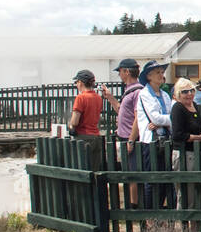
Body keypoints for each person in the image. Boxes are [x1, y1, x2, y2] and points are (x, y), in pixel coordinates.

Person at [135, 60, 176, 210]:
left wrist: (163, 121)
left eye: (161, 72)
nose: (161, 75)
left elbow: (167, 117)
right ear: (149, 76)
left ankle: (162, 212)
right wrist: (166, 120)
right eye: (157, 72)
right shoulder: (144, 94)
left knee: (167, 178)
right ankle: (151, 214)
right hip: (151, 142)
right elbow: (156, 118)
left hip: (165, 140)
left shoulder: (164, 94)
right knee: (152, 180)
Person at [102, 59, 142, 205]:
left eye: (120, 71)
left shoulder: (137, 91)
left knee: (133, 175)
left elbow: (138, 117)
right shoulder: (130, 90)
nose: (119, 75)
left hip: (132, 139)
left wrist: (131, 139)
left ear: (127, 71)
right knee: (130, 173)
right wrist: (111, 98)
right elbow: (121, 111)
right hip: (127, 138)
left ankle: (135, 206)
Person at [168, 77, 201, 168]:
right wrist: (200, 137)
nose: (189, 94)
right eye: (185, 91)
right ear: (178, 94)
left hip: (198, 153)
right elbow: (177, 135)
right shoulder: (178, 108)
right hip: (184, 155)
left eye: (192, 90)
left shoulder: (194, 105)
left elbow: (199, 126)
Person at [69, 69, 105, 171]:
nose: (76, 85)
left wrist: (70, 125)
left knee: (82, 171)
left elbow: (75, 121)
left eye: (76, 82)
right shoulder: (98, 97)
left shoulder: (80, 98)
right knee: (94, 170)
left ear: (80, 82)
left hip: (83, 137)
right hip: (96, 137)